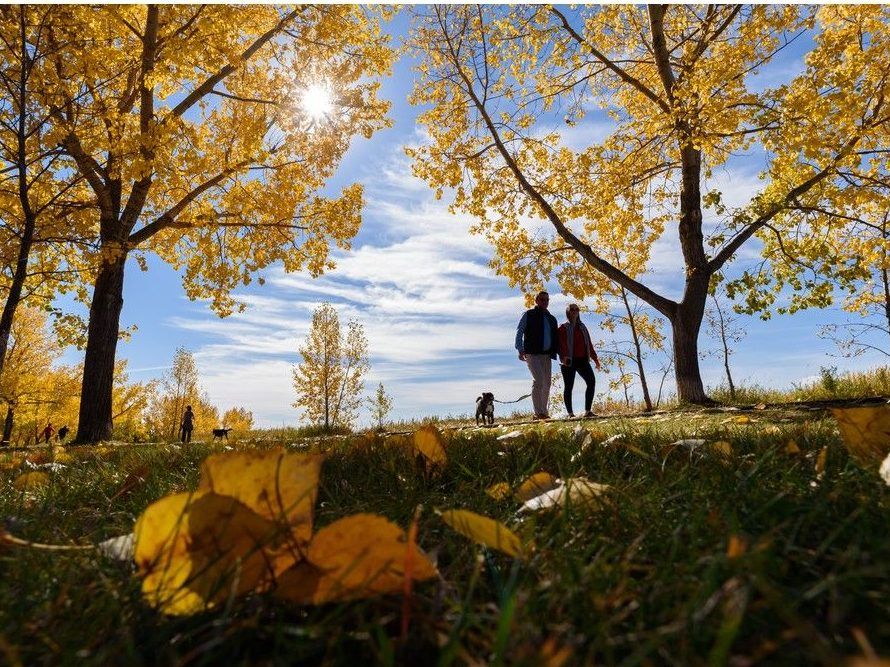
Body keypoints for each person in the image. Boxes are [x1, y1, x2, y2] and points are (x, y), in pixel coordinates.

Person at [515, 290, 559, 419]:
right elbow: (519, 331)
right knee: (539, 380)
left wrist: (561, 354)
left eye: (547, 300)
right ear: (536, 301)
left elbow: (555, 338)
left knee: (547, 383)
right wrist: (520, 349)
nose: (545, 302)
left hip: (547, 355)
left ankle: (544, 413)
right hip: (532, 353)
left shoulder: (552, 319)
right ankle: (538, 413)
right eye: (542, 299)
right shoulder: (529, 314)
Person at [558, 304, 601, 418]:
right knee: (569, 386)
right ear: (568, 312)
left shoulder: (582, 327)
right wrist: (563, 357)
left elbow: (589, 344)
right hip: (569, 361)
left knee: (591, 382)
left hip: (582, 360)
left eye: (577, 309)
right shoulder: (563, 327)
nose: (575, 311)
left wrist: (595, 359)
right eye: (572, 309)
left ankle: (588, 411)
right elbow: (560, 345)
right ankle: (570, 414)